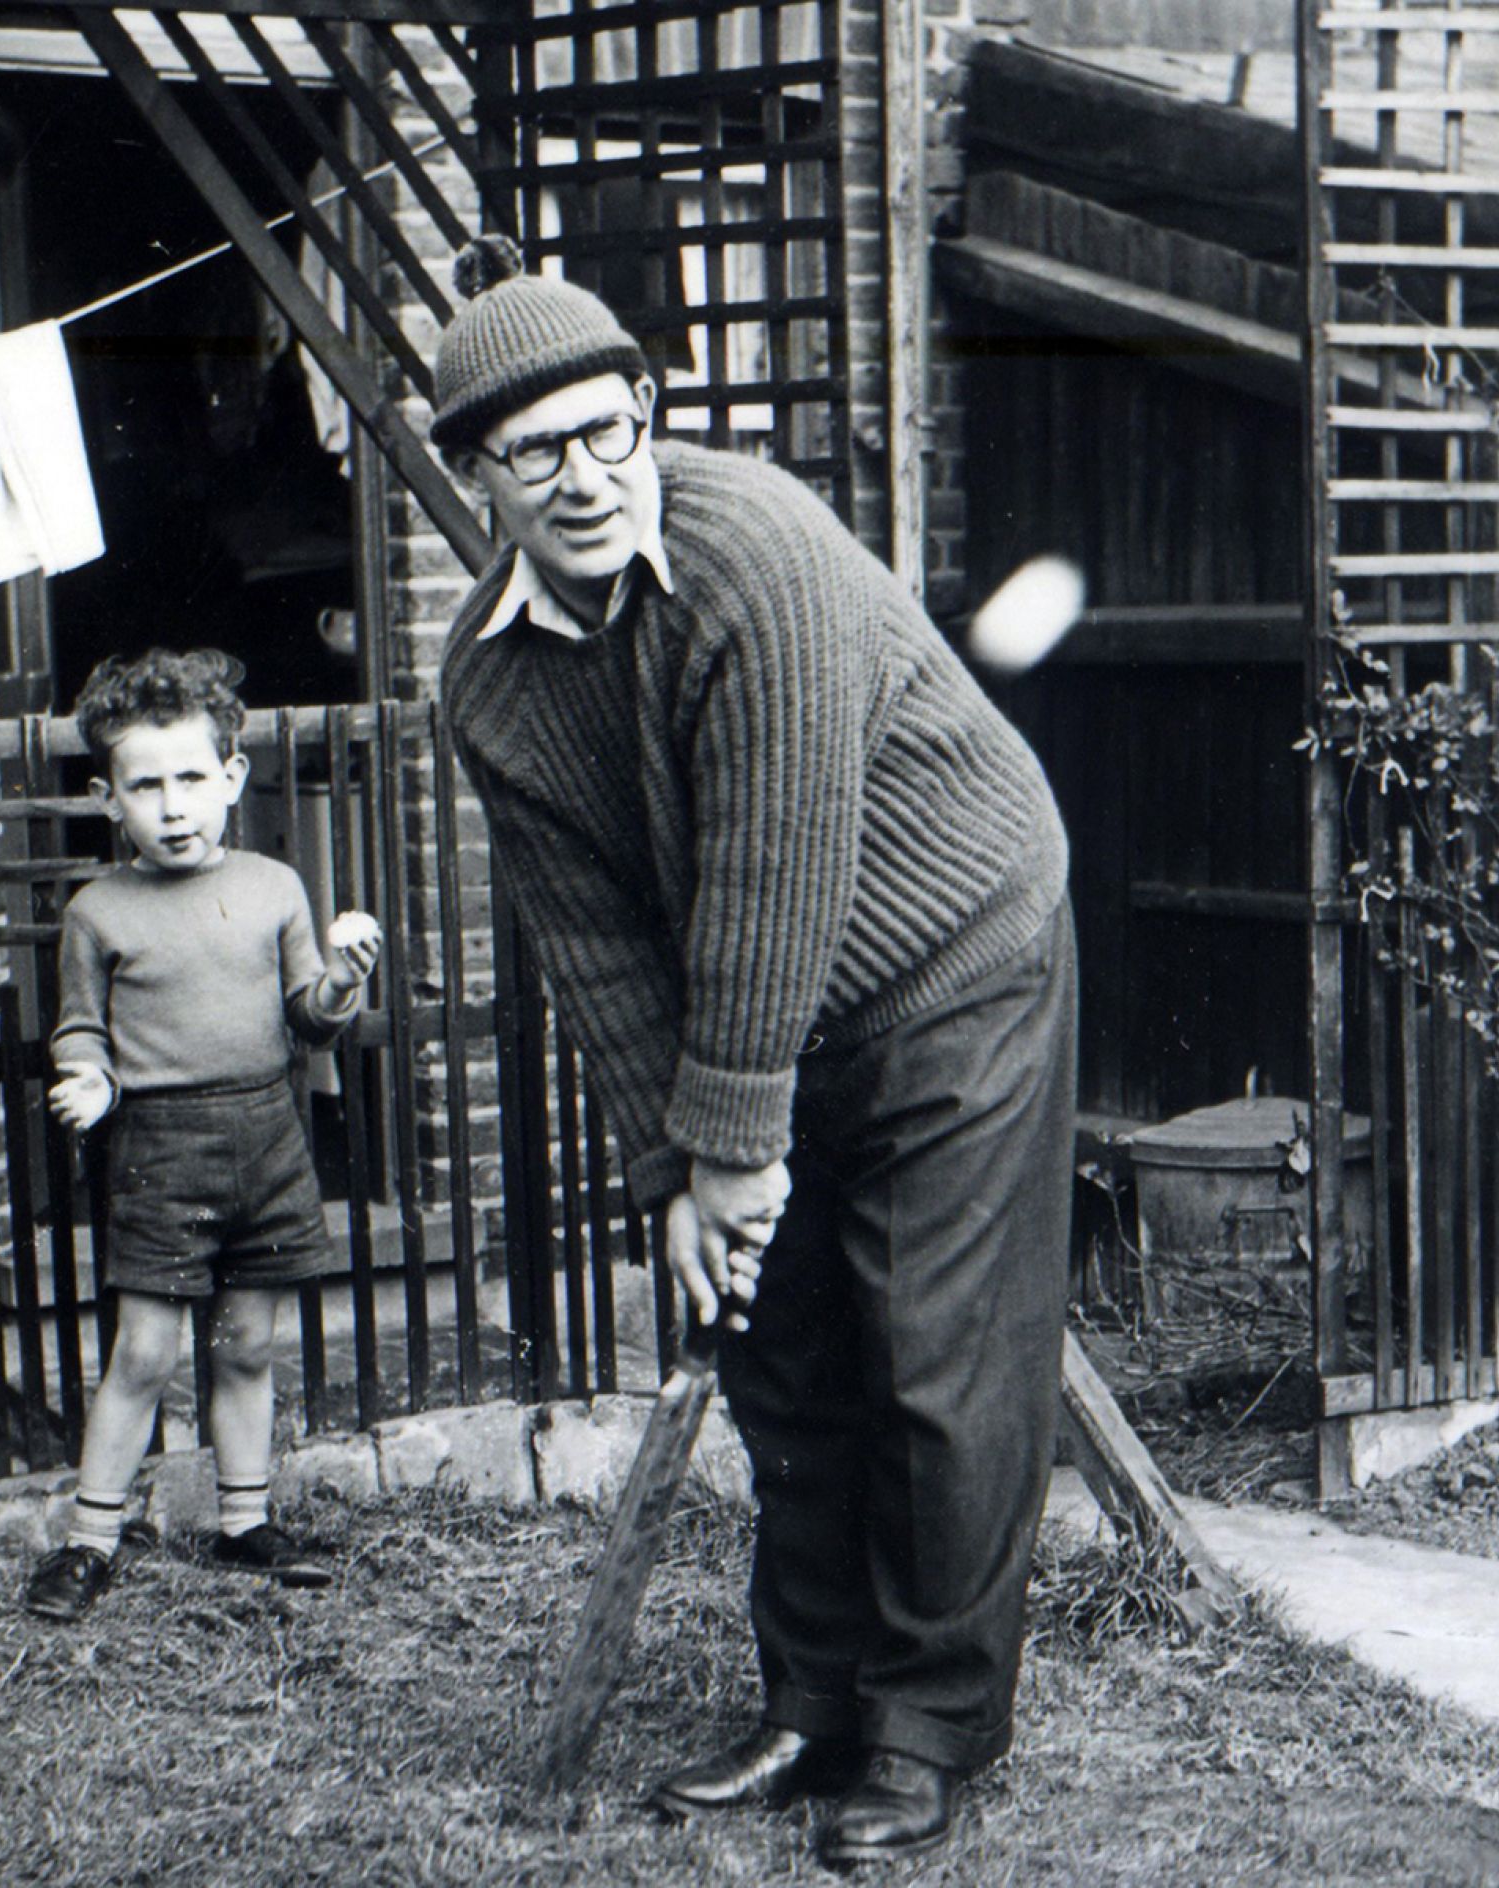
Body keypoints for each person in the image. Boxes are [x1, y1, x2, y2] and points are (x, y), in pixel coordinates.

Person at [432, 235, 1078, 1866]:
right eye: (533, 451)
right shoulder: (488, 683)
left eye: (609, 430)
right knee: (774, 1343)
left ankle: (928, 1726)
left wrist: (732, 1141)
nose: (583, 478)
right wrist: (680, 1172)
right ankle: (811, 1697)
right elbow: (595, 952)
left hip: (950, 959)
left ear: (649, 411)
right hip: (765, 1021)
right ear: (473, 474)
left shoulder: (753, 555)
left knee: (930, 1352)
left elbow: (772, 880)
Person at [22, 648, 382, 1622]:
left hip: (267, 1137)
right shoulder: (97, 911)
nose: (173, 805)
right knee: (142, 1352)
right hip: (161, 1150)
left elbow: (308, 1015)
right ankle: (90, 1542)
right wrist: (89, 1077)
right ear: (109, 797)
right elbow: (81, 1024)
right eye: (146, 785)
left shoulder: (273, 887)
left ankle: (245, 1525)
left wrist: (344, 980)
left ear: (232, 776)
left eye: (191, 778)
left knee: (246, 1343)